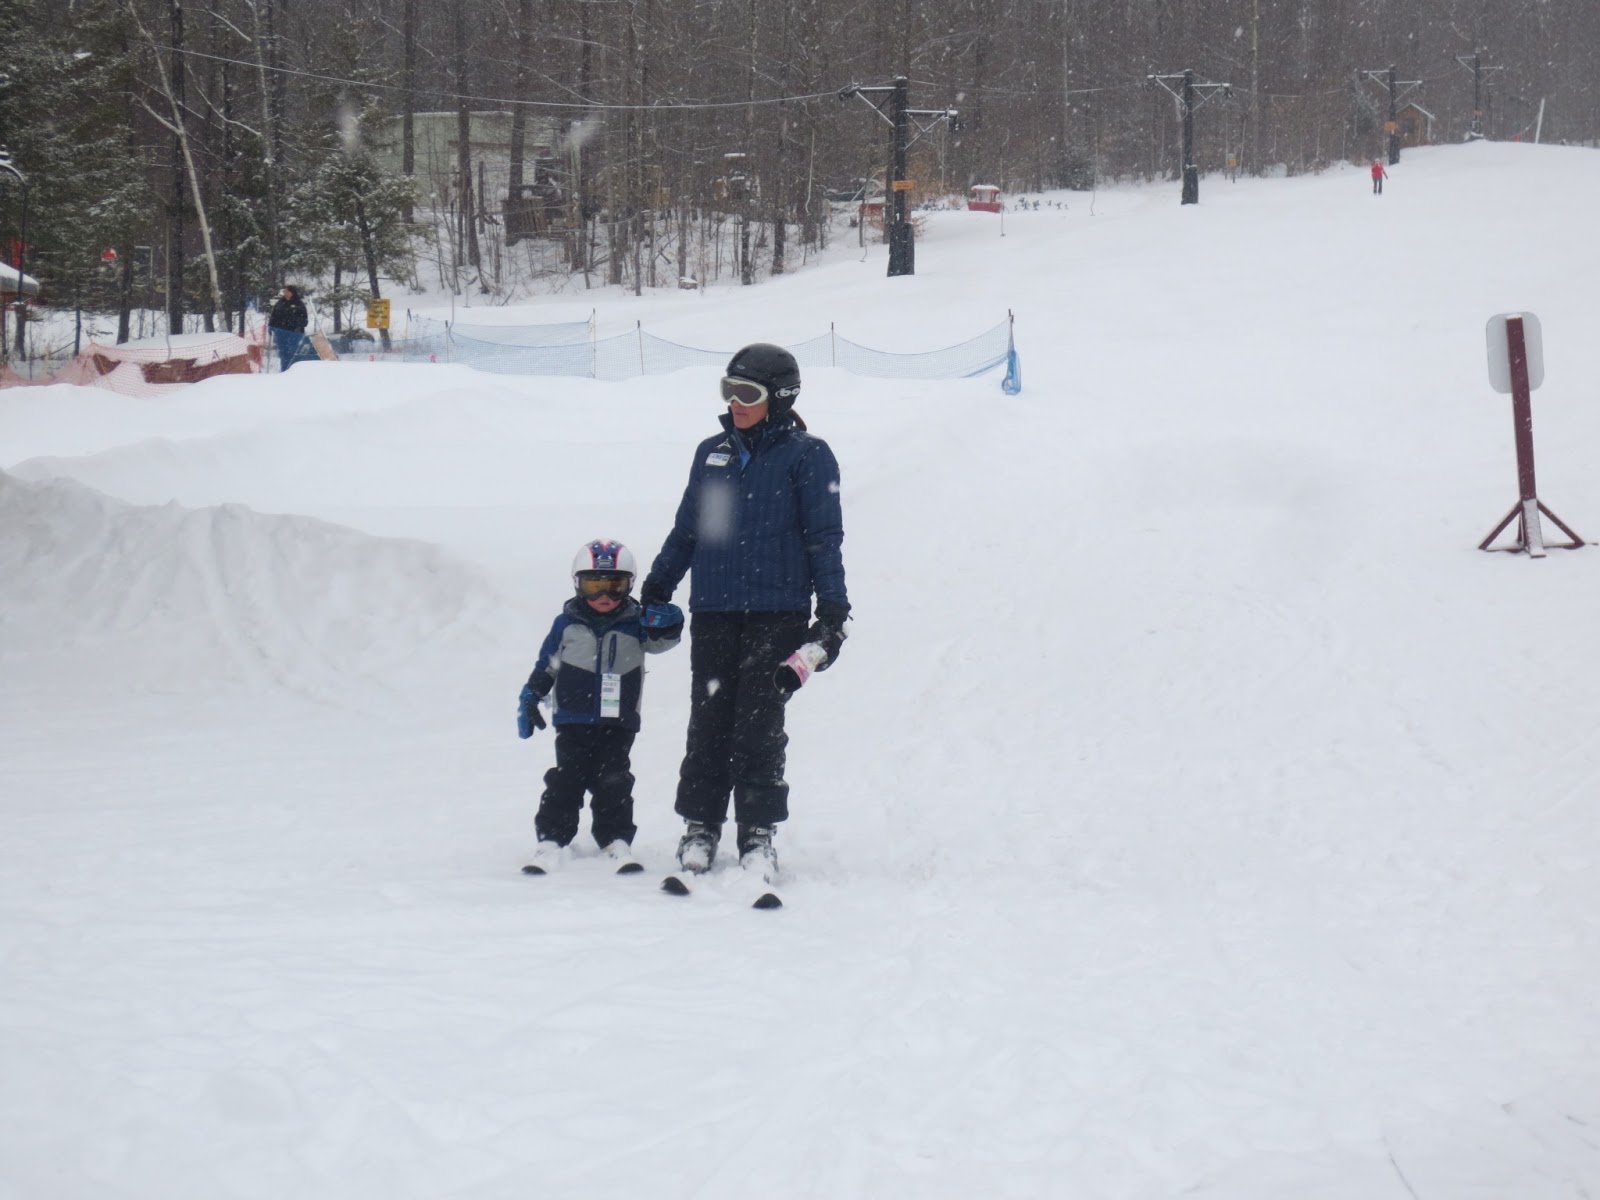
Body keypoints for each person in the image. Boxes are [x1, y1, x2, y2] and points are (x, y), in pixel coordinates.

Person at [640, 343, 850, 881]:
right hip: (714, 609)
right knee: (707, 721)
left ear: (779, 398)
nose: (735, 403)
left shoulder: (808, 455)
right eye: (727, 390)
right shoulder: (713, 452)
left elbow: (823, 539)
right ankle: (700, 825)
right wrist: (659, 586)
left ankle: (757, 832)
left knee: (759, 726)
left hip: (775, 613)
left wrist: (831, 610)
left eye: (747, 393)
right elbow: (691, 527)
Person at [517, 540, 683, 875]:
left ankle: (615, 838)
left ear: (629, 585)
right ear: (578, 584)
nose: (604, 596)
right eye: (594, 586)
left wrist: (670, 624)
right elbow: (547, 664)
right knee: (566, 779)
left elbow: (659, 642)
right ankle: (551, 839)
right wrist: (531, 696)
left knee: (614, 780)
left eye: (614, 586)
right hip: (572, 718)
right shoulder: (566, 624)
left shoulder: (636, 623)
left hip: (618, 719)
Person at [267, 285, 308, 371]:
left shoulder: (298, 304)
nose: (285, 293)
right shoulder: (280, 303)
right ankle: (284, 370)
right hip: (280, 332)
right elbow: (274, 315)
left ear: (292, 293)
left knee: (292, 353)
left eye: (287, 292)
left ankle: (293, 371)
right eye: (284, 292)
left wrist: (298, 326)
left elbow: (304, 320)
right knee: (283, 353)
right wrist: (271, 325)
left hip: (294, 333)